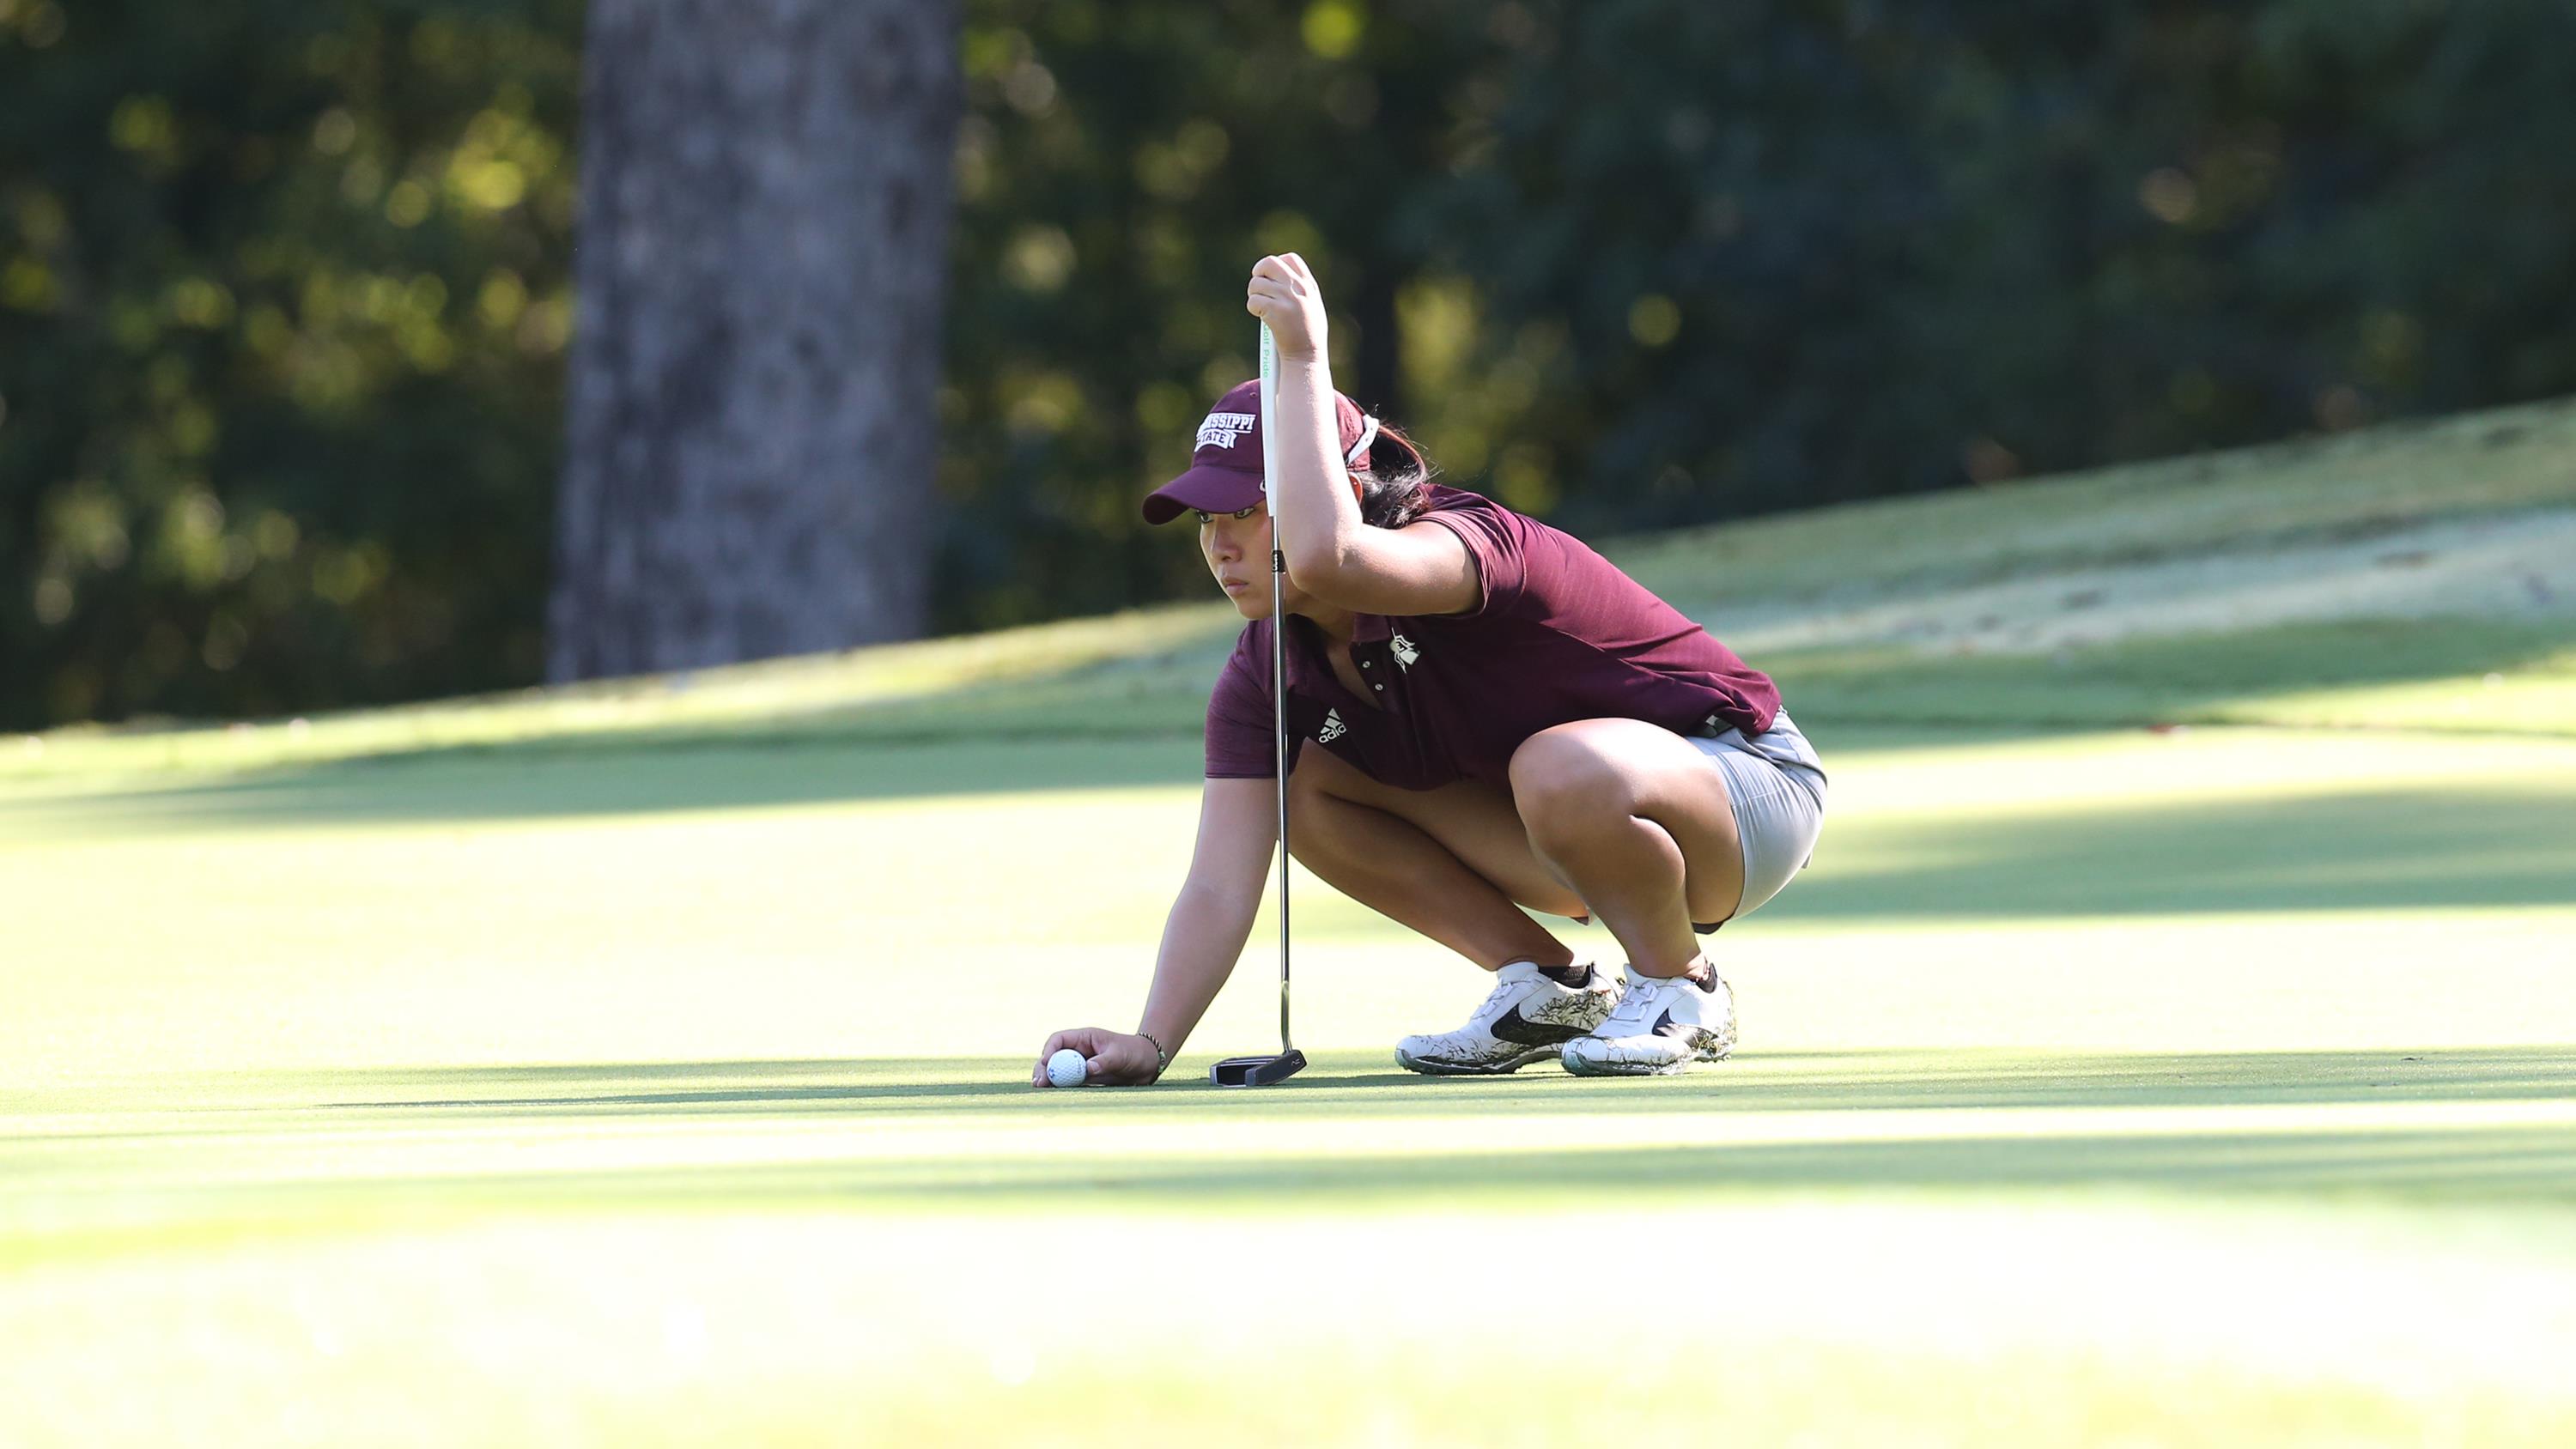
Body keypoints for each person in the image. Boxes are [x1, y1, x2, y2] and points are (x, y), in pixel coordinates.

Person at [1031, 254, 1826, 1086]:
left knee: (1556, 764)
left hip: (1744, 786)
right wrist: (1152, 1041)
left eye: (1245, 510)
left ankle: (1680, 987)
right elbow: (1220, 884)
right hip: (1579, 821)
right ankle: (1544, 987)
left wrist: (1303, 359)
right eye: (1206, 520)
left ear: (1345, 488)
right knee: (1305, 789)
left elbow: (1331, 557)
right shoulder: (1271, 669)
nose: (1221, 544)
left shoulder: (1466, 550)